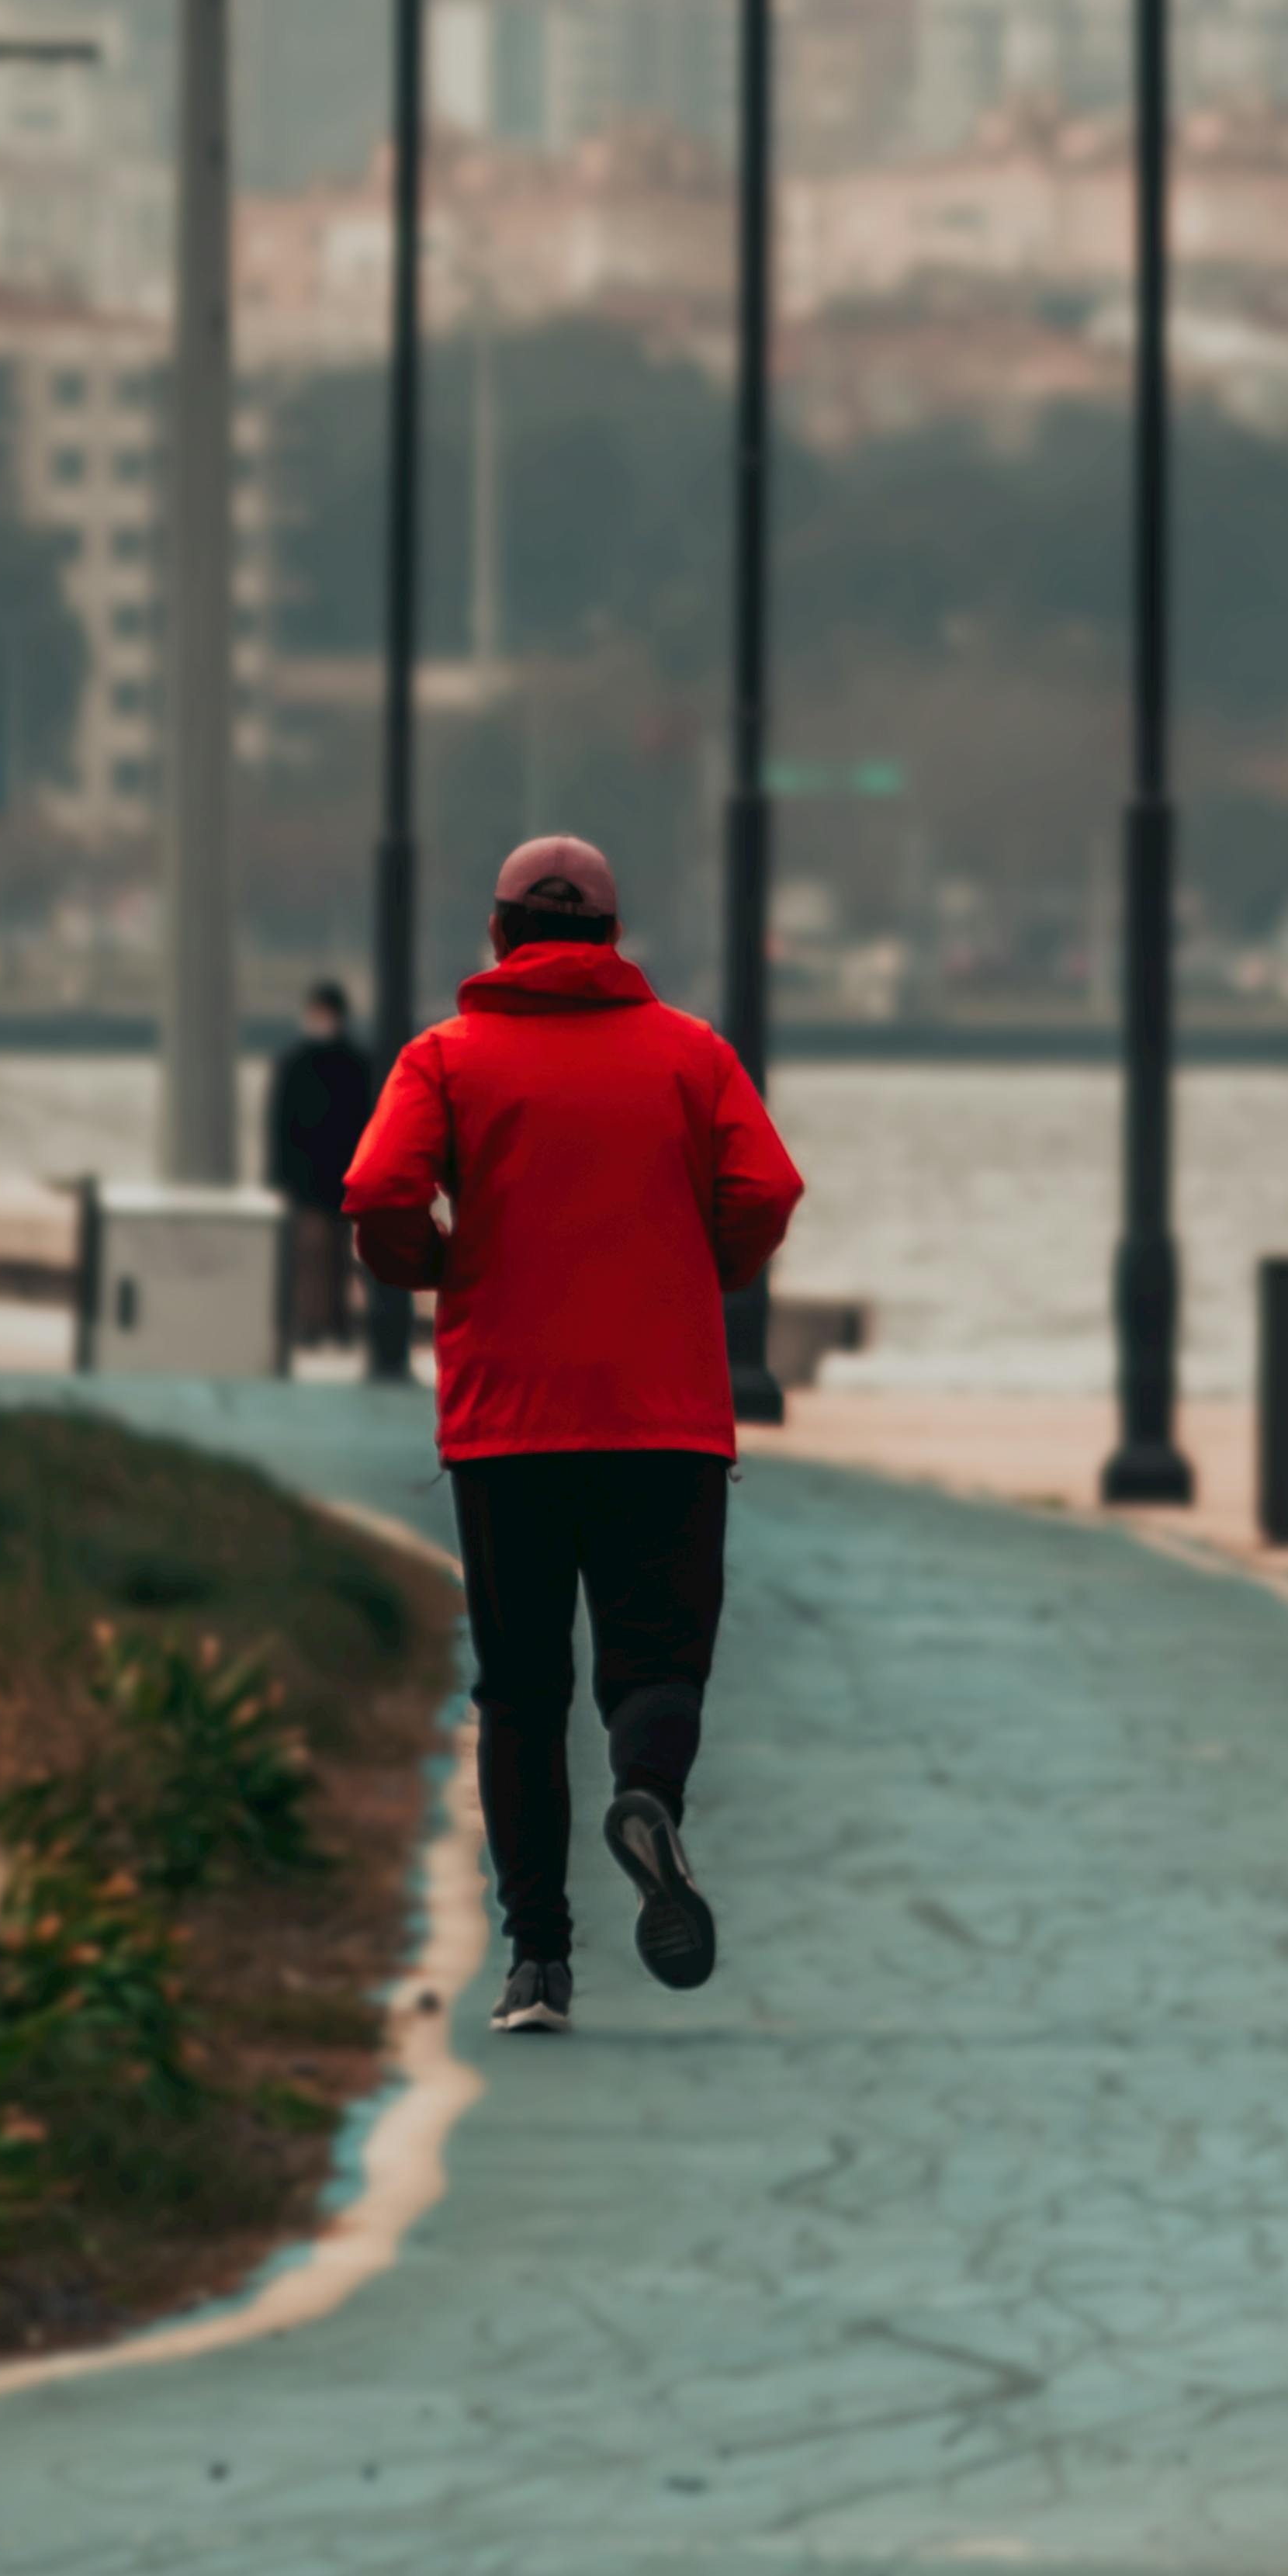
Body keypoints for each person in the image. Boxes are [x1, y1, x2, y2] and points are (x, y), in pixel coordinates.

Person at [340, 830, 802, 2040]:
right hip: (666, 1420)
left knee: (520, 1692)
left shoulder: (444, 1059)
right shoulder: (691, 1057)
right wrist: (698, 1269)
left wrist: (432, 1270)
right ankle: (646, 1796)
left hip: (508, 1425)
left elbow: (379, 1191)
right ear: (612, 939)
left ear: (498, 935)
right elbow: (765, 1190)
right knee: (658, 1663)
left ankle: (536, 1965)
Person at [263, 977, 378, 1350]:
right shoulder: (355, 1065)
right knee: (319, 1255)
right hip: (320, 1180)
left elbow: (281, 1125)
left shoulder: (299, 1065)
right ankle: (321, 1324)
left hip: (330, 1179)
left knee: (332, 1256)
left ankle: (329, 1323)